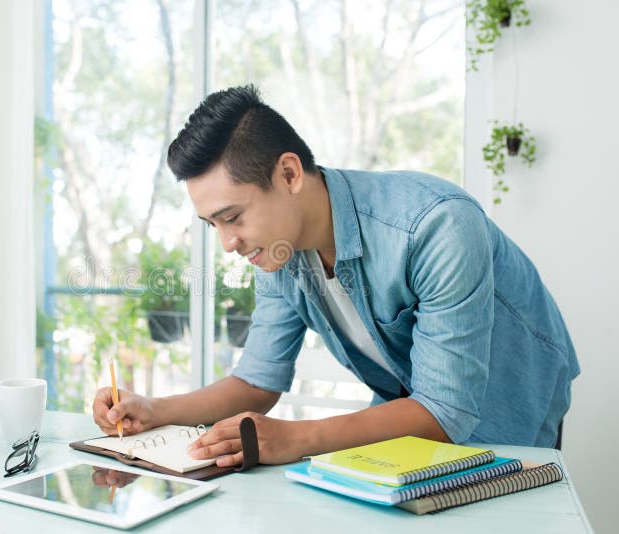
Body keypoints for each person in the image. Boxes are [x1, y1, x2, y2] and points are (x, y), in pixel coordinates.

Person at [92, 85, 579, 468]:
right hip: (413, 410)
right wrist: (156, 409)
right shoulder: (278, 253)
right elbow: (257, 383)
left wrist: (298, 438)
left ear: (288, 175)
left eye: (233, 217)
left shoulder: (436, 225)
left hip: (511, 403)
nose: (227, 243)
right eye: (213, 225)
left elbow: (446, 410)